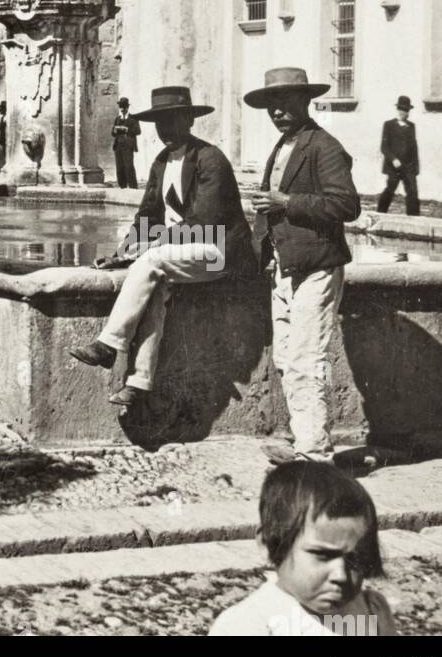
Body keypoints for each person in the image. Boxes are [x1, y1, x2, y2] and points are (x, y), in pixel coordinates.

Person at [68, 85, 256, 414]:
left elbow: (205, 221)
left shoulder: (210, 159)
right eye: (160, 123)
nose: (166, 130)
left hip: (221, 255)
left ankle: (110, 344)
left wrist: (154, 244)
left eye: (172, 121)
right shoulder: (160, 161)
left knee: (154, 259)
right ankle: (138, 382)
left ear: (189, 121)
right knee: (153, 279)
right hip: (182, 255)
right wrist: (123, 253)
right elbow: (147, 215)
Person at [245, 67, 361, 465]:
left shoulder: (323, 146)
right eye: (271, 105)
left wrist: (286, 203)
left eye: (286, 102)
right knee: (286, 358)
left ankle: (315, 456)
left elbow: (346, 205)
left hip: (316, 267)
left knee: (307, 359)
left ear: (304, 102)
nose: (277, 111)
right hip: (285, 268)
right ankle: (304, 444)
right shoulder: (283, 147)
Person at [209, 460, 396, 636]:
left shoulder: (372, 610)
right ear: (268, 543)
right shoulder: (246, 626)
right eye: (322, 555)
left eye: (354, 559)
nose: (340, 575)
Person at [377, 96, 419, 216]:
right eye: (401, 109)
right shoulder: (389, 125)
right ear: (397, 109)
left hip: (408, 166)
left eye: (406, 110)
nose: (403, 112)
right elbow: (384, 147)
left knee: (412, 192)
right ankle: (380, 214)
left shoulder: (411, 126)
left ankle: (414, 219)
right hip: (393, 166)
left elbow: (414, 148)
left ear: (408, 112)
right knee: (390, 189)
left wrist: (415, 168)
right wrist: (393, 159)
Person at [111, 95, 140, 188]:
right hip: (118, 145)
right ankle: (122, 186)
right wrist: (115, 130)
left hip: (128, 145)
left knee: (129, 166)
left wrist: (126, 129)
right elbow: (113, 133)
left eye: (124, 106)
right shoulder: (117, 119)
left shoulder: (133, 118)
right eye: (121, 107)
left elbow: (138, 131)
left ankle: (133, 187)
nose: (122, 109)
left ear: (127, 107)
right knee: (119, 167)